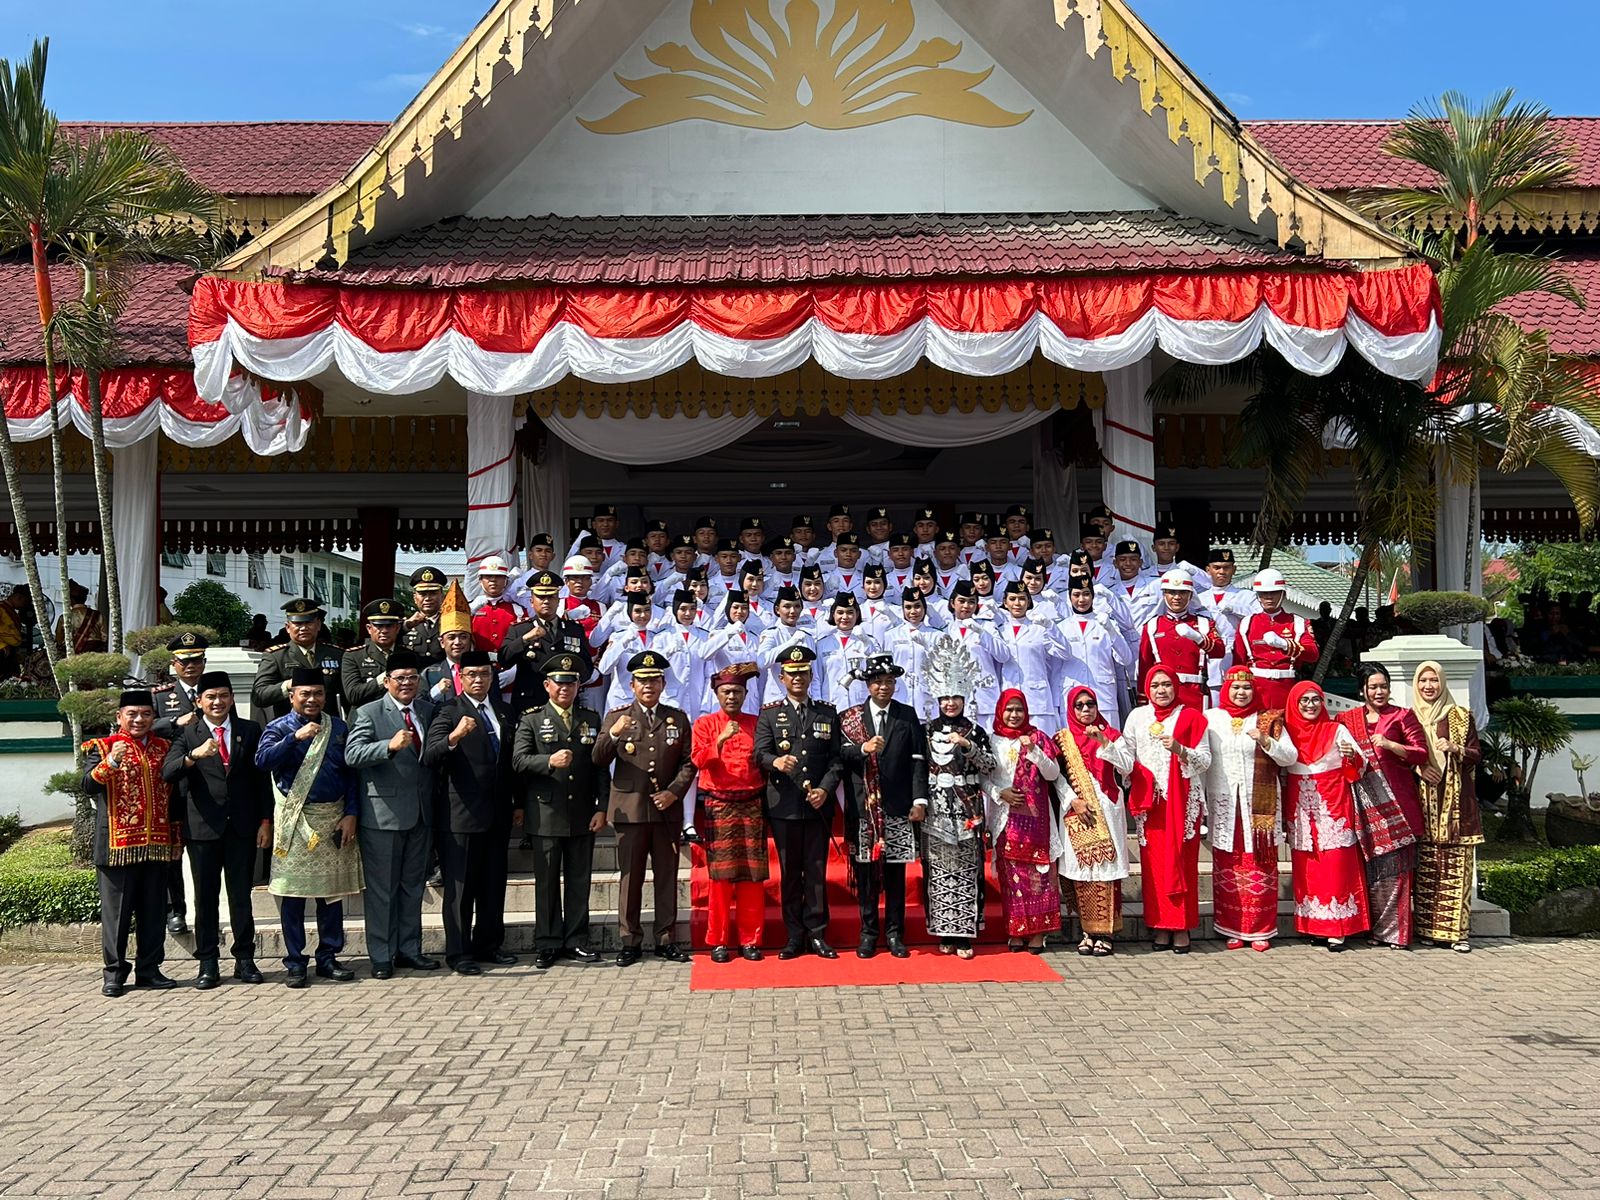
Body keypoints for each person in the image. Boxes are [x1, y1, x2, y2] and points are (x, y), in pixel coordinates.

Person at [160, 671, 272, 988]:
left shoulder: (250, 731)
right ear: (199, 702)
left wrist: (266, 821)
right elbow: (168, 772)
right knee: (205, 899)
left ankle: (245, 959)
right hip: (202, 830)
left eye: (223, 695)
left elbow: (261, 781)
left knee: (240, 897)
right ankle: (208, 962)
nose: (218, 702)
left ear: (231, 699)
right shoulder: (188, 735)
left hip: (242, 827)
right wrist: (192, 757)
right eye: (210, 697)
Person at [256, 668, 363, 987]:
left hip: (333, 818)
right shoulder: (277, 727)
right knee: (293, 895)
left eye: (318, 693)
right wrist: (294, 739)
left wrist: (352, 813)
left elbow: (351, 774)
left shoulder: (340, 727)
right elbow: (262, 761)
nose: (312, 699)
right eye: (305, 694)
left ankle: (328, 957)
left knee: (330, 896)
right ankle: (295, 962)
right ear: (292, 697)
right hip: (294, 821)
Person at [592, 650, 696, 966]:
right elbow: (597, 758)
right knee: (630, 878)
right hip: (630, 811)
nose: (648, 686)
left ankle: (665, 939)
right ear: (632, 685)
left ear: (663, 684)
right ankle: (630, 941)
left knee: (666, 876)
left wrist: (674, 792)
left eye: (654, 680)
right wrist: (613, 734)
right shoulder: (617, 716)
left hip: (666, 812)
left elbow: (689, 762)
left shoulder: (676, 718)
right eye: (642, 681)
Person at [1098, 666, 1210, 951]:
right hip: (1151, 803)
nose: (1161, 691)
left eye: (1167, 685)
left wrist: (1180, 749)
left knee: (1183, 863)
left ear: (1176, 686)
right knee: (1154, 866)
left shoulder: (1191, 717)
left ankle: (1182, 926)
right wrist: (1106, 746)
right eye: (1156, 685)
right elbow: (1126, 758)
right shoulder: (1138, 716)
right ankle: (1160, 925)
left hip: (1184, 802)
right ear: (1147, 689)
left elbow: (1205, 760)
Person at [345, 649, 439, 979]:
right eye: (399, 678)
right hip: (382, 814)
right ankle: (382, 954)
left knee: (413, 886)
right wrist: (387, 747)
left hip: (421, 813)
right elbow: (352, 754)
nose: (407, 684)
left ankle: (410, 949)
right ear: (386, 682)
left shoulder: (428, 711)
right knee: (383, 889)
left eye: (412, 678)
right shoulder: (368, 712)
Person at [82, 690, 183, 996]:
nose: (139, 720)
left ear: (154, 717)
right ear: (119, 717)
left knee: (153, 911)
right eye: (132, 714)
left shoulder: (164, 748)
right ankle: (113, 973)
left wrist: (176, 837)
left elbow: (175, 794)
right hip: (117, 845)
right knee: (117, 914)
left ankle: (149, 970)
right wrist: (110, 763)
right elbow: (87, 785)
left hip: (156, 843)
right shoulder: (101, 747)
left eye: (146, 714)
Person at [422, 649, 516, 973]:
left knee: (493, 885)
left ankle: (489, 945)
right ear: (460, 677)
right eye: (472, 675)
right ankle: (459, 953)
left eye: (485, 674)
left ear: (492, 677)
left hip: (497, 813)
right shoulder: (448, 711)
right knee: (461, 891)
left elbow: (509, 763)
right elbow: (430, 755)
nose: (479, 680)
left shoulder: (502, 710)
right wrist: (455, 736)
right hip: (460, 815)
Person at [513, 652, 608, 970]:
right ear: (547, 685)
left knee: (580, 879)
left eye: (571, 682)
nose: (565, 688)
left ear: (579, 685)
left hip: (582, 811)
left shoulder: (590, 719)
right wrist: (547, 762)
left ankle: (577, 940)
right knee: (548, 882)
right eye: (559, 682)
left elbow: (599, 769)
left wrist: (602, 807)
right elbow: (518, 761)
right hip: (546, 813)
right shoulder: (531, 719)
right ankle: (548, 941)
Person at [753, 646, 844, 959]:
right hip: (785, 806)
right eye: (791, 674)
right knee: (790, 873)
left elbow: (836, 760)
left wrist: (825, 790)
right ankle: (794, 936)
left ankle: (818, 934)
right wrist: (775, 762)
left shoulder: (826, 714)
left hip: (817, 804)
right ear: (781, 677)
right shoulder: (769, 714)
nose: (797, 678)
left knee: (816, 871)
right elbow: (759, 754)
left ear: (810, 675)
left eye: (803, 673)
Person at [839, 653, 930, 959]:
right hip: (865, 808)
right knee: (865, 874)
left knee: (895, 876)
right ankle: (867, 933)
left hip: (899, 806)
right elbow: (839, 757)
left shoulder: (907, 715)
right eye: (877, 682)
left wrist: (919, 800)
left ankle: (894, 933)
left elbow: (919, 761)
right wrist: (862, 749)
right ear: (867, 685)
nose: (883, 687)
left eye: (889, 681)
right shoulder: (851, 717)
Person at [1202, 669, 1296, 951]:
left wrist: (1267, 742)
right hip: (1225, 804)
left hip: (1259, 805)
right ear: (1225, 690)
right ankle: (1231, 927)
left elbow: (1291, 756)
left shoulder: (1268, 719)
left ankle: (1261, 930)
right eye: (1235, 688)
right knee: (1229, 865)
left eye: (1246, 688)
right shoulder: (1212, 719)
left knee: (1261, 865)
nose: (1241, 693)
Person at [1335, 664, 1426, 949]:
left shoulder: (1402, 716)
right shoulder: (1347, 719)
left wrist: (1390, 745)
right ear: (1362, 690)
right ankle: (1373, 931)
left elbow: (1420, 753)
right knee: (1371, 871)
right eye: (1373, 687)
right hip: (1362, 804)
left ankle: (1396, 935)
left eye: (1383, 686)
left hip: (1396, 804)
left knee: (1397, 870)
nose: (1378, 692)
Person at [920, 640, 996, 959]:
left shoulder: (976, 731)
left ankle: (965, 936)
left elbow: (990, 766)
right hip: (935, 811)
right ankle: (944, 933)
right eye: (945, 697)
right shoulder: (925, 730)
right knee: (937, 872)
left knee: (967, 871)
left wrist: (968, 746)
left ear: (965, 698)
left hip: (967, 810)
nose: (950, 703)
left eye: (956, 697)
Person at [1282, 681, 1370, 951]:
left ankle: (1338, 928)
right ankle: (1313, 925)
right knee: (1307, 866)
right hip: (1300, 808)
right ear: (1294, 704)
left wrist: (1350, 756)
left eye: (1315, 700)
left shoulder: (1336, 730)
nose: (1310, 705)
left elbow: (1360, 766)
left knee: (1336, 864)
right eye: (1304, 701)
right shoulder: (1286, 733)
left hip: (1333, 806)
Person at [690, 664, 769, 963]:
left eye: (737, 692)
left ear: (746, 693)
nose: (732, 697)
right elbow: (698, 759)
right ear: (716, 694)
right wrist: (720, 739)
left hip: (751, 802)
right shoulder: (705, 724)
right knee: (720, 879)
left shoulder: (757, 722)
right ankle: (718, 940)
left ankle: (751, 940)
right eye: (726, 692)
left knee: (752, 877)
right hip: (719, 803)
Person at [1410, 661, 1485, 952]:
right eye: (1423, 681)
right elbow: (1400, 758)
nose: (1429, 686)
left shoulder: (1460, 716)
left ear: (1442, 684)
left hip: (1456, 807)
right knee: (1428, 868)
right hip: (1422, 803)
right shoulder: (1410, 718)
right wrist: (1419, 770)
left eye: (1434, 680)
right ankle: (1428, 931)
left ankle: (1457, 934)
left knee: (1455, 868)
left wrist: (1456, 749)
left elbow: (1477, 755)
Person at [982, 689, 1063, 952]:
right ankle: (1016, 931)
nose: (1014, 715)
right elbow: (983, 777)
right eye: (1009, 710)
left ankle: (1038, 933)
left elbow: (1052, 774)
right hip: (1005, 817)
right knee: (1012, 876)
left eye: (1019, 710)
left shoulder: (1037, 738)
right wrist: (999, 793)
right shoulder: (992, 740)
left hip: (1036, 821)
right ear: (1000, 712)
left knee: (1038, 877)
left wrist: (1035, 752)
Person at [1056, 686, 1131, 956]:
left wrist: (1104, 743)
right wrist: (1072, 800)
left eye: (1090, 704)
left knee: (1105, 871)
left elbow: (1127, 767)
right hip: (1078, 809)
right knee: (1083, 871)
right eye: (1079, 705)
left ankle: (1107, 933)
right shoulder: (1063, 740)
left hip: (1108, 809)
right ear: (1071, 709)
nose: (1086, 710)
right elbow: (1058, 778)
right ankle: (1088, 931)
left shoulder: (1112, 735)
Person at [153, 630, 211, 935]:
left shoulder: (214, 691)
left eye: (197, 660)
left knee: (204, 855)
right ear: (174, 664)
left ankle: (205, 910)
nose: (191, 666)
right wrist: (174, 722)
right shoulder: (162, 696)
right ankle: (175, 911)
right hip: (173, 785)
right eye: (184, 661)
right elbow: (145, 727)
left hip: (206, 783)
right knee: (173, 852)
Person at [500, 569, 592, 719]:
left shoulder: (573, 629)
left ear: (558, 600)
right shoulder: (520, 629)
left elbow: (586, 665)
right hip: (531, 705)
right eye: (541, 597)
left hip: (566, 703)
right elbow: (504, 658)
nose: (546, 601)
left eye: (551, 596)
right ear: (531, 601)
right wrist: (524, 639)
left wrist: (571, 684)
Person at [1136, 571, 1224, 711]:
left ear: (1190, 595)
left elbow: (1219, 651)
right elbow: (1145, 665)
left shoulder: (1204, 623)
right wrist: (1143, 696)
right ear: (1164, 594)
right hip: (1162, 694)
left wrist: (1199, 638)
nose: (1177, 597)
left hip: (1195, 693)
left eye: (1182, 593)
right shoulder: (1152, 626)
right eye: (1171, 592)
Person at [1233, 571, 1318, 711]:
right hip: (1255, 689)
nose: (1268, 597)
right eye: (1263, 593)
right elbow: (1238, 662)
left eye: (1274, 592)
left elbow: (1313, 654)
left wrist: (1285, 644)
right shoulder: (1247, 623)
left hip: (1287, 686)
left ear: (1283, 594)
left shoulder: (1297, 622)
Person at [252, 598, 346, 721]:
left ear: (318, 625)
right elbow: (259, 696)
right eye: (298, 624)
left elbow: (348, 695)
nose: (304, 628)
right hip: (290, 730)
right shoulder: (276, 656)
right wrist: (289, 685)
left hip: (329, 729)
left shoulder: (336, 654)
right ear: (287, 627)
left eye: (309, 623)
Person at [471, 556, 527, 652]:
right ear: (480, 580)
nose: (493, 580)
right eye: (488, 576)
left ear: (506, 580)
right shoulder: (471, 609)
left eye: (499, 576)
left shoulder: (518, 610)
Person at [55, 579, 106, 655]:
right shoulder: (97, 615)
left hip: (74, 656)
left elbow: (59, 640)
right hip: (96, 655)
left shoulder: (64, 617)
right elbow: (104, 637)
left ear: (71, 600)